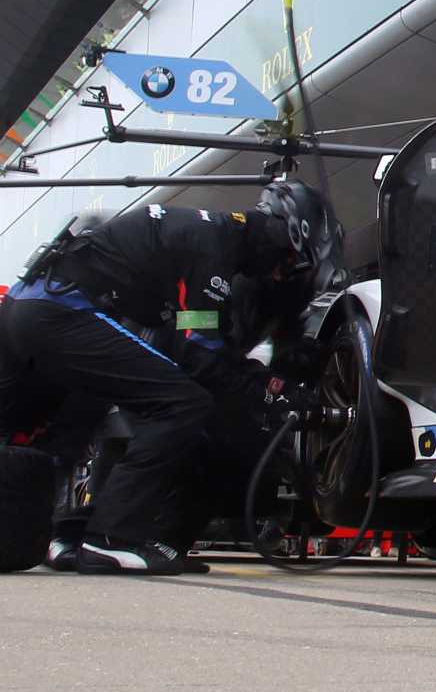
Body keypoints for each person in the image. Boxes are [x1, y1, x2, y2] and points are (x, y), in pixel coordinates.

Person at [0, 180, 342, 575]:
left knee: (63, 421)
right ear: (282, 235)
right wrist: (269, 391)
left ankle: (67, 538)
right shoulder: (213, 247)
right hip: (61, 311)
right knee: (182, 404)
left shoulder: (207, 233)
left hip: (28, 306)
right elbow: (200, 354)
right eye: (289, 264)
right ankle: (111, 541)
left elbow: (191, 341)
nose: (282, 276)